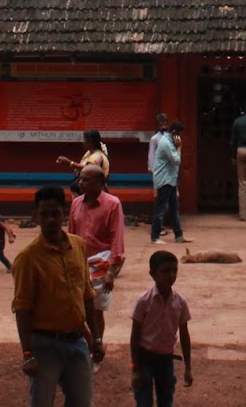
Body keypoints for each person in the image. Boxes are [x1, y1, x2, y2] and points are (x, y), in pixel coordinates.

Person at [11, 185, 105, 407]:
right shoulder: (28, 258)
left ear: (64, 213)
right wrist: (27, 354)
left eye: (55, 213)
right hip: (44, 345)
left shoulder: (79, 246)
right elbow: (22, 309)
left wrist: (96, 339)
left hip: (77, 341)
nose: (51, 219)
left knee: (82, 402)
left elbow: (87, 296)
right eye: (44, 214)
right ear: (36, 216)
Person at [129, 250, 194, 407]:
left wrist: (188, 368)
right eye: (165, 271)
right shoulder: (144, 301)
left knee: (166, 401)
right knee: (144, 401)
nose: (171, 275)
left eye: (174, 270)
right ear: (152, 274)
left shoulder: (180, 302)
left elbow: (184, 335)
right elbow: (135, 336)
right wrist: (135, 369)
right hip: (145, 358)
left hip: (166, 360)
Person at [67, 164, 126, 298]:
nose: (81, 183)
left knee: (96, 312)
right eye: (80, 179)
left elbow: (116, 239)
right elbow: (71, 236)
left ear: (100, 182)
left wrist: (111, 272)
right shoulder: (75, 203)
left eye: (86, 180)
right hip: (79, 263)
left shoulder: (113, 204)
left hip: (101, 263)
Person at [150, 121, 190, 245]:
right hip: (165, 180)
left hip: (170, 179)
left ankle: (179, 235)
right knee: (160, 209)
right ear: (174, 133)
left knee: (174, 208)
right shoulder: (166, 143)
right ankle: (155, 236)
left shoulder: (168, 141)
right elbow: (176, 160)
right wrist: (179, 147)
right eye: (179, 134)